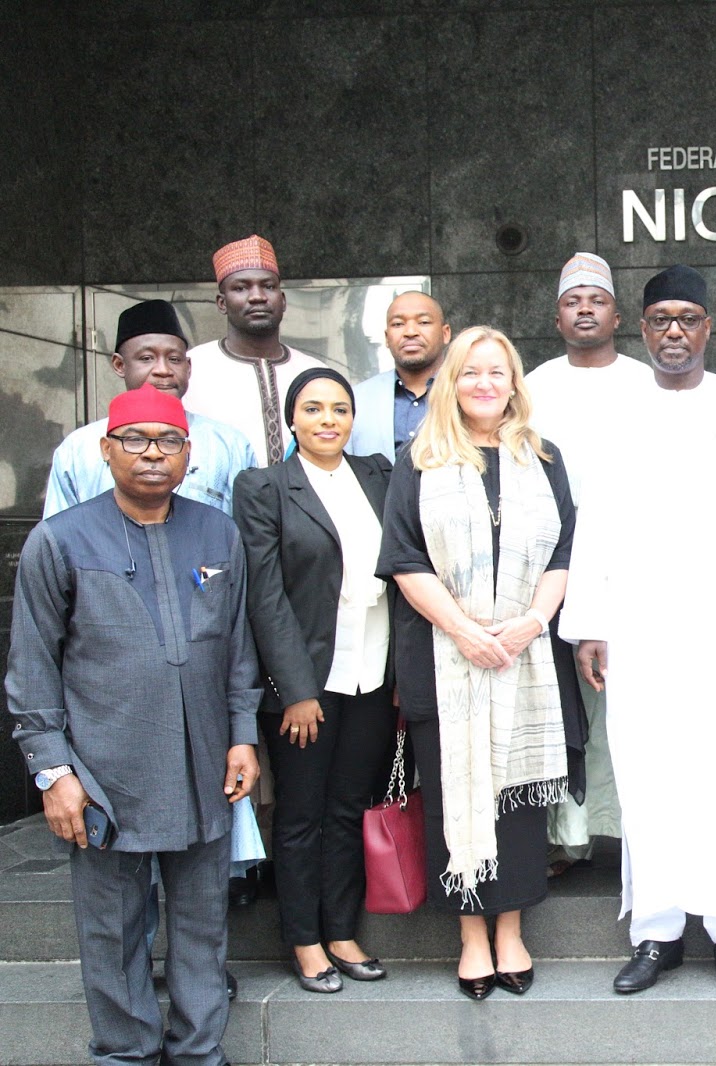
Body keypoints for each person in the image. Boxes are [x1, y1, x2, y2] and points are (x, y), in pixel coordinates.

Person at [561, 264, 716, 998]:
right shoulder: (619, 414)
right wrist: (591, 625)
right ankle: (656, 931)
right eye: (661, 319)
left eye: (687, 319)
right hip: (642, 626)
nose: (674, 332)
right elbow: (595, 521)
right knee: (648, 776)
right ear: (643, 328)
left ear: (708, 328)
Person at [8, 383, 261, 1066]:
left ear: (190, 455)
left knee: (203, 926)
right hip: (101, 773)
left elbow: (239, 648)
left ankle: (200, 1051)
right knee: (113, 932)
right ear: (107, 450)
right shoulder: (59, 540)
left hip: (205, 765)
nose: (153, 454)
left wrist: (244, 734)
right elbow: (31, 671)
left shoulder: (217, 532)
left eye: (169, 441)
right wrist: (53, 771)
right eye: (137, 440)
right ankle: (125, 1054)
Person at [377, 326, 583, 1001]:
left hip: (523, 658)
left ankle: (511, 932)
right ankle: (470, 936)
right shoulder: (421, 460)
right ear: (451, 382)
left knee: (516, 806)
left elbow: (564, 555)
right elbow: (404, 559)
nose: (485, 384)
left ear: (514, 381)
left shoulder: (542, 458)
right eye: (471, 373)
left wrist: (529, 624)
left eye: (497, 372)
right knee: (453, 796)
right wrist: (466, 630)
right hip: (446, 658)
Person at [233, 368, 394, 993]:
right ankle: (304, 940)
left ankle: (343, 930)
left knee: (350, 809)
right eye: (314, 408)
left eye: (340, 409)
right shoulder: (265, 487)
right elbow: (265, 597)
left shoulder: (378, 476)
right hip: (306, 686)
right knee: (300, 815)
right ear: (291, 420)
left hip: (373, 676)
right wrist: (295, 690)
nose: (328, 419)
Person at [527, 252, 650, 878]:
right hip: (555, 566)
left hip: (632, 566)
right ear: (557, 316)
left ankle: (639, 833)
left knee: (630, 701)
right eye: (573, 301)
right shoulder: (534, 386)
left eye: (595, 301)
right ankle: (569, 838)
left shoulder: (645, 382)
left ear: (617, 315)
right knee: (566, 705)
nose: (584, 310)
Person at [46, 300, 257, 518]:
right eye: (147, 358)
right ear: (120, 365)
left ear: (188, 367)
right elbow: (58, 539)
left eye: (174, 359)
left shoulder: (230, 445)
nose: (163, 370)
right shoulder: (78, 449)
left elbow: (248, 539)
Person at [185, 234, 326, 465]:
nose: (258, 297)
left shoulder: (316, 372)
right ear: (222, 303)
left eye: (268, 286)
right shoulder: (190, 368)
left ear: (282, 300)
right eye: (241, 288)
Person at [351, 290, 451, 461]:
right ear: (387, 338)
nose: (410, 332)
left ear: (445, 334)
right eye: (398, 324)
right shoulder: (356, 399)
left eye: (424, 322)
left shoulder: (469, 393)